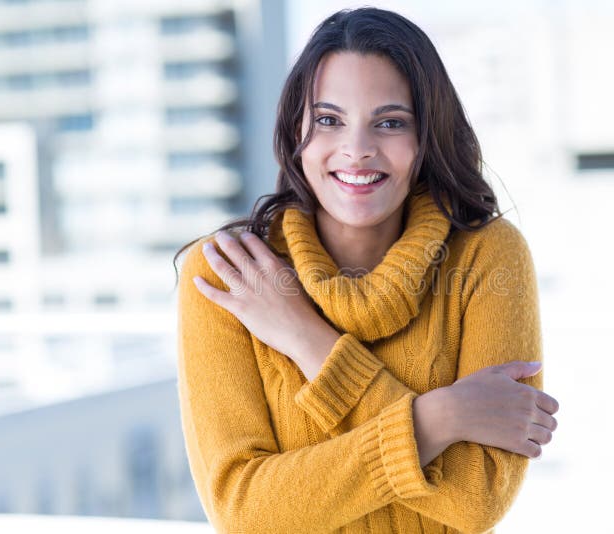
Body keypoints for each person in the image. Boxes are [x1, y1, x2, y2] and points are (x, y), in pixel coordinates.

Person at [172, 7, 559, 534]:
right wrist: (440, 417)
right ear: (296, 130)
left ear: (426, 138)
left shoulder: (487, 257)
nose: (357, 150)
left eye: (391, 122)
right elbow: (242, 512)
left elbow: (474, 500)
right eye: (329, 120)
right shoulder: (229, 275)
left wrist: (307, 340)